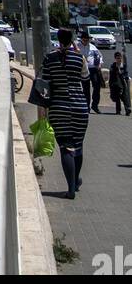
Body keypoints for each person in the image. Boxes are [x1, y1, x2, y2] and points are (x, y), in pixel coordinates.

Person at [38, 27, 90, 200]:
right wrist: (87, 105)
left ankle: (70, 189)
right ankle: (75, 181)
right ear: (72, 39)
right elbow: (85, 80)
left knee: (66, 147)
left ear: (58, 39)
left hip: (59, 106)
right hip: (79, 106)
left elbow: (43, 86)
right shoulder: (79, 57)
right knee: (78, 144)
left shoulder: (49, 59)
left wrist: (43, 110)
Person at [78, 28, 104, 112]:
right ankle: (86, 106)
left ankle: (95, 105)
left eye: (88, 39)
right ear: (82, 39)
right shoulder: (77, 46)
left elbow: (99, 56)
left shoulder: (93, 47)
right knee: (86, 88)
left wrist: (100, 63)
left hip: (93, 69)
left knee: (97, 86)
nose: (86, 41)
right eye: (85, 39)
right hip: (83, 69)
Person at [108, 51, 131, 116]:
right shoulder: (113, 65)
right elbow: (112, 75)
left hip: (123, 83)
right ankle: (118, 111)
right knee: (117, 97)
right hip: (116, 84)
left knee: (124, 97)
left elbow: (126, 74)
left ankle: (127, 110)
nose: (119, 59)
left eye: (120, 58)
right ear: (115, 58)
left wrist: (121, 73)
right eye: (117, 58)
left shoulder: (123, 65)